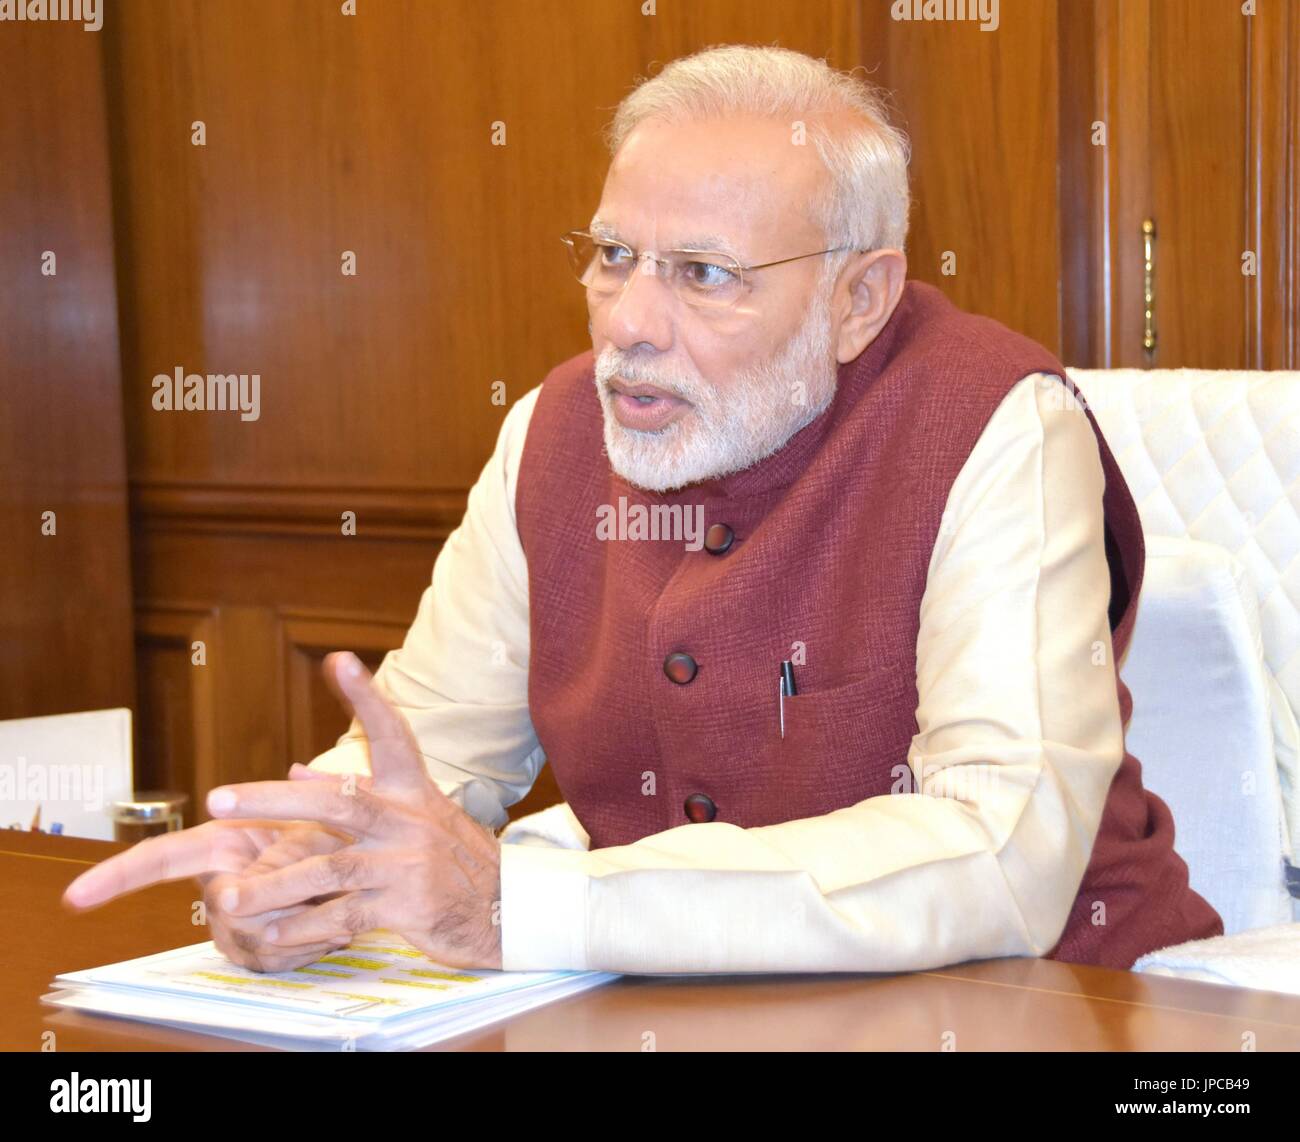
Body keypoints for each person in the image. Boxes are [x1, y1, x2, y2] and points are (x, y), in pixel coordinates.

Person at [63, 44, 1223, 976]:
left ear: (858, 297)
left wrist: (534, 904)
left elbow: (1000, 854)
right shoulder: (551, 431)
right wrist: (312, 861)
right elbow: (429, 746)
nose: (628, 320)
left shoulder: (995, 425)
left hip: (1062, 999)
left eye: (702, 273)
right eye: (613, 255)